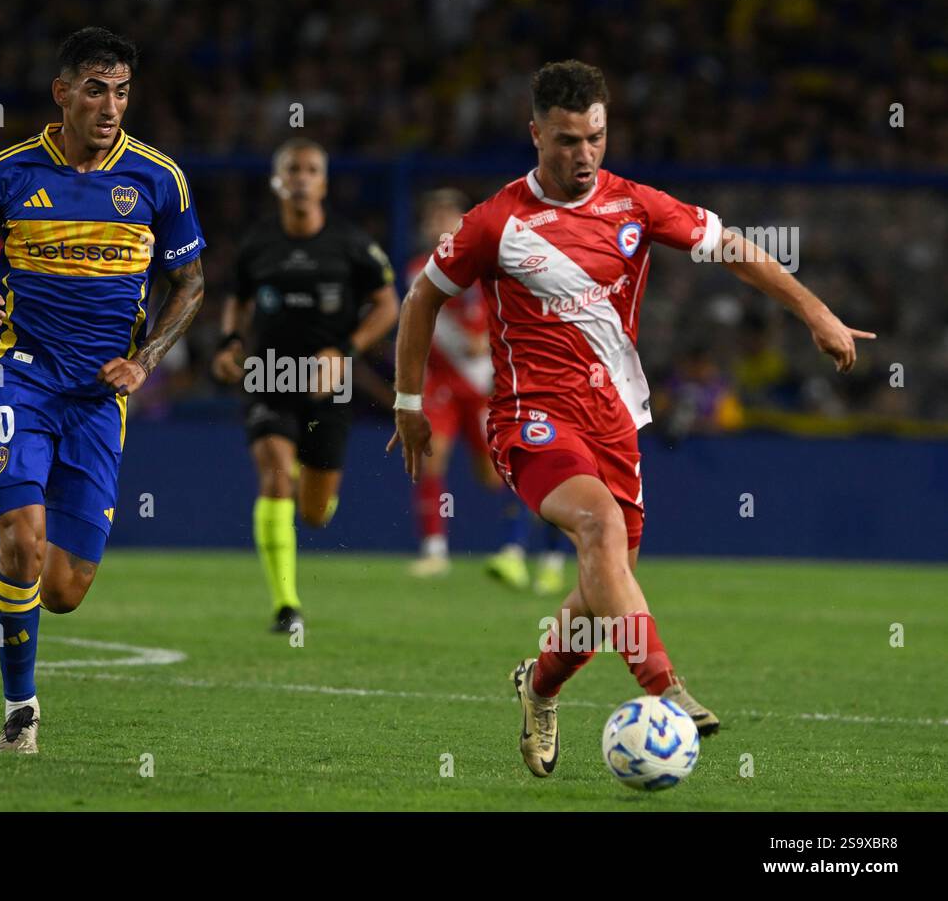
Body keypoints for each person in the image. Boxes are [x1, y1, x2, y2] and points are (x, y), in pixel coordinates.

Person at [388, 60, 874, 777]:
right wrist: (406, 405)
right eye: (565, 140)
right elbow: (420, 300)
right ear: (535, 135)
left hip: (615, 421)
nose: (582, 154)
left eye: (594, 137)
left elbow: (733, 249)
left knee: (602, 586)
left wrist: (816, 311)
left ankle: (539, 686)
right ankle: (664, 686)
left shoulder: (636, 206)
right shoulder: (494, 223)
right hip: (530, 417)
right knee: (598, 527)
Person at [0, 27, 206, 753]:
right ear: (63, 93)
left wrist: (147, 358)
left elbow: (191, 282)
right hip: (17, 377)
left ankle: (12, 575)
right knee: (23, 542)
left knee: (62, 591)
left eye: (121, 91)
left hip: (98, 397)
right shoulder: (7, 173)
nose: (111, 105)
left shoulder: (158, 179)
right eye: (96, 88)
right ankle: (20, 711)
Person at [212, 139, 399, 632]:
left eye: (311, 169)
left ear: (324, 182)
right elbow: (236, 299)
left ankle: (305, 475)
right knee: (275, 475)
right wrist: (232, 341)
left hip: (325, 387)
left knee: (315, 513)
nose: (300, 177)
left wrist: (346, 350)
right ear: (277, 181)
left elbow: (388, 305)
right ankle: (286, 606)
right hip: (268, 375)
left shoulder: (350, 243)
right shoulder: (257, 244)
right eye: (292, 169)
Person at [404, 188, 567, 593]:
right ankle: (435, 549)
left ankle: (536, 550)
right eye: (433, 217)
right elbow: (433, 319)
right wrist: (469, 340)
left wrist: (489, 342)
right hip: (443, 382)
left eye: (448, 216)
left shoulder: (488, 264)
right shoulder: (419, 269)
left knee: (501, 475)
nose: (440, 224)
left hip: (487, 383)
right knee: (433, 456)